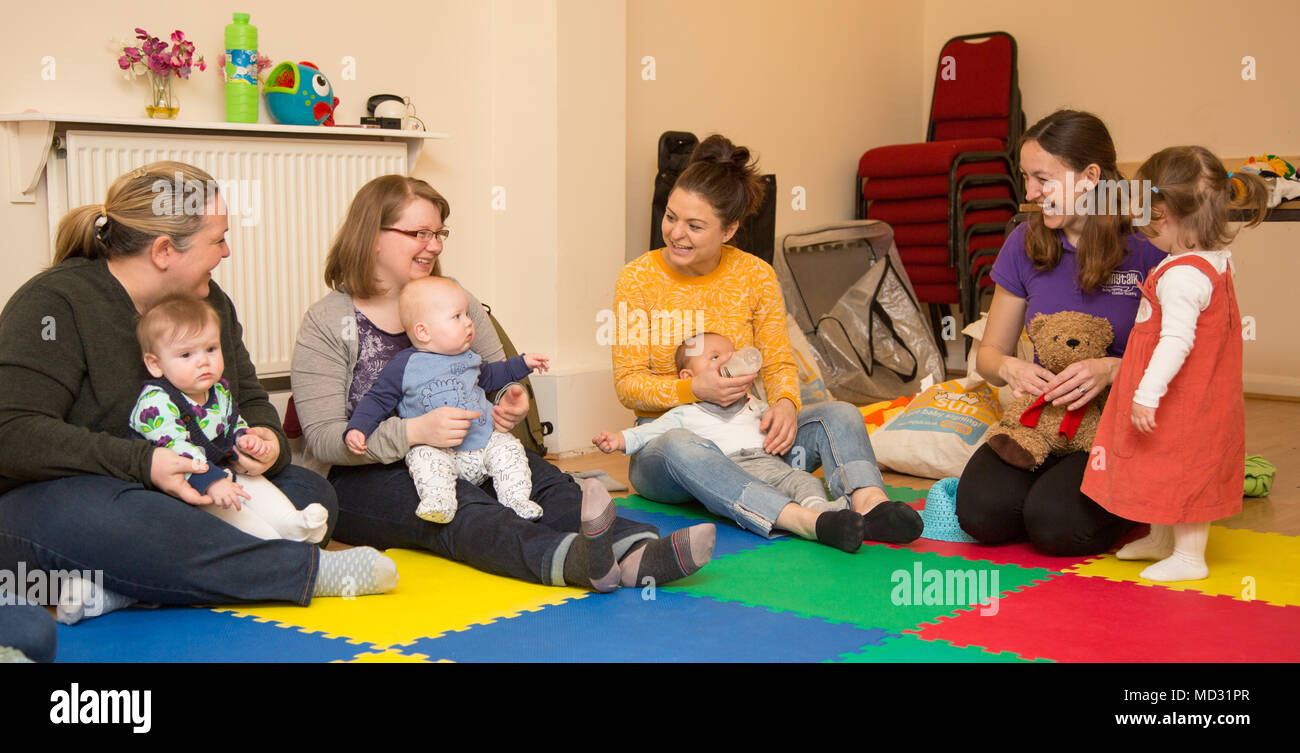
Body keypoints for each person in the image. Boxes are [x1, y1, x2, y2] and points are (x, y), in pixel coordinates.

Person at [0, 161, 395, 627]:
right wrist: (144, 465)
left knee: (311, 493)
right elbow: (13, 434)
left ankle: (122, 590)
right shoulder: (55, 303)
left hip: (198, 479)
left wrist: (265, 443)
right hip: (72, 498)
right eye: (219, 239)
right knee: (128, 519)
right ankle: (302, 572)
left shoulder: (210, 303)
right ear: (165, 250)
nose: (226, 252)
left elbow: (246, 397)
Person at [292, 175, 715, 594]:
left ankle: (637, 550)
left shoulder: (456, 301)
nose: (435, 245)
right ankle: (571, 559)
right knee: (462, 508)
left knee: (541, 481)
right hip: (366, 477)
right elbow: (326, 439)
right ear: (373, 236)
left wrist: (509, 404)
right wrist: (415, 433)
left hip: (469, 449)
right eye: (420, 233)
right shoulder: (330, 321)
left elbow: (494, 381)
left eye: (439, 233)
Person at [613, 134, 921, 553]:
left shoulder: (755, 275)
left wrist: (785, 406)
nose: (675, 233)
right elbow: (628, 384)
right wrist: (693, 390)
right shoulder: (637, 279)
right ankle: (803, 519)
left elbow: (777, 362)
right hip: (669, 451)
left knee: (841, 413)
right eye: (671, 217)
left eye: (695, 225)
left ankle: (870, 504)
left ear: (730, 229)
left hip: (752, 441)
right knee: (679, 444)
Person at [956, 110, 1168, 555]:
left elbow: (1182, 358)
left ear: (1091, 177)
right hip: (1042, 421)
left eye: (1042, 179)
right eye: (1026, 178)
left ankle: (1139, 502)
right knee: (979, 513)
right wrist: (1012, 368)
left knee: (1056, 526)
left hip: (1115, 425)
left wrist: (1113, 368)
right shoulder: (1023, 244)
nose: (1030, 193)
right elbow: (989, 355)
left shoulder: (1148, 251)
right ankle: (1052, 496)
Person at [1082, 146, 1268, 581]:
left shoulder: (1182, 276)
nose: (1144, 233)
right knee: (1159, 466)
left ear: (1163, 213)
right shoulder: (1209, 261)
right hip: (1191, 392)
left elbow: (1177, 340)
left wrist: (1147, 393)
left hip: (1179, 396)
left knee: (1184, 468)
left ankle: (1189, 555)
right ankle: (1162, 538)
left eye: (1147, 222)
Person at [345, 276, 549, 523]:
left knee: (509, 449)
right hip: (438, 450)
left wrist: (523, 363)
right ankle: (439, 502)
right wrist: (358, 428)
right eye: (457, 317)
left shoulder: (469, 357)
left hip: (483, 443)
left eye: (466, 314)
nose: (468, 323)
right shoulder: (404, 366)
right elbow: (377, 400)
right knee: (423, 459)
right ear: (423, 331)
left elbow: (494, 375)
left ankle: (516, 500)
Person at [131, 295, 330, 542]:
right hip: (183, 484)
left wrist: (247, 441)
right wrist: (211, 481)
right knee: (228, 505)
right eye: (186, 355)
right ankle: (267, 541)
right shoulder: (156, 402)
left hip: (222, 469)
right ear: (155, 364)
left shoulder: (218, 391)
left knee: (254, 481)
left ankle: (290, 522)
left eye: (211, 349)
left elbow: (233, 424)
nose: (203, 361)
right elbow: (175, 449)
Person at [596, 332, 839, 517]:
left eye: (731, 355)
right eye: (714, 357)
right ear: (688, 378)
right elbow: (650, 432)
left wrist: (781, 411)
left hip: (770, 464)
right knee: (752, 489)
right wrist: (619, 439)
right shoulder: (685, 413)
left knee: (805, 480)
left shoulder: (753, 403)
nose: (727, 361)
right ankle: (795, 515)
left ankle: (819, 511)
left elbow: (775, 419)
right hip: (726, 469)